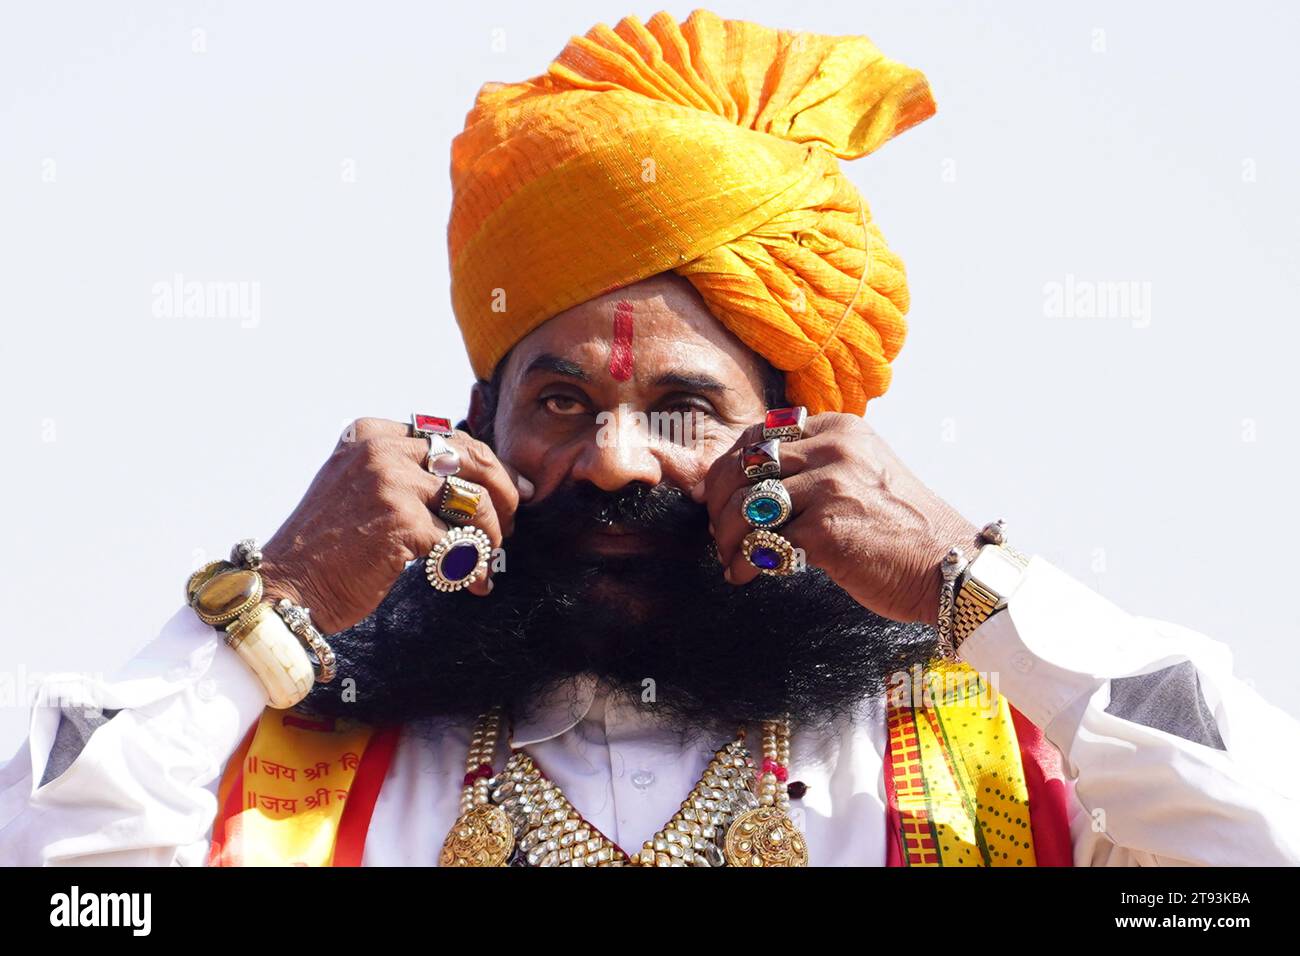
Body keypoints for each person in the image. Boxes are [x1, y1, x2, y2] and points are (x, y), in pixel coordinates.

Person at [3, 8, 1298, 867]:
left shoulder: (990, 777)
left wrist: (970, 581)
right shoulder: (293, 784)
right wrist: (267, 605)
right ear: (470, 443)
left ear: (796, 448)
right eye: (559, 404)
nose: (617, 461)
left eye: (682, 410)